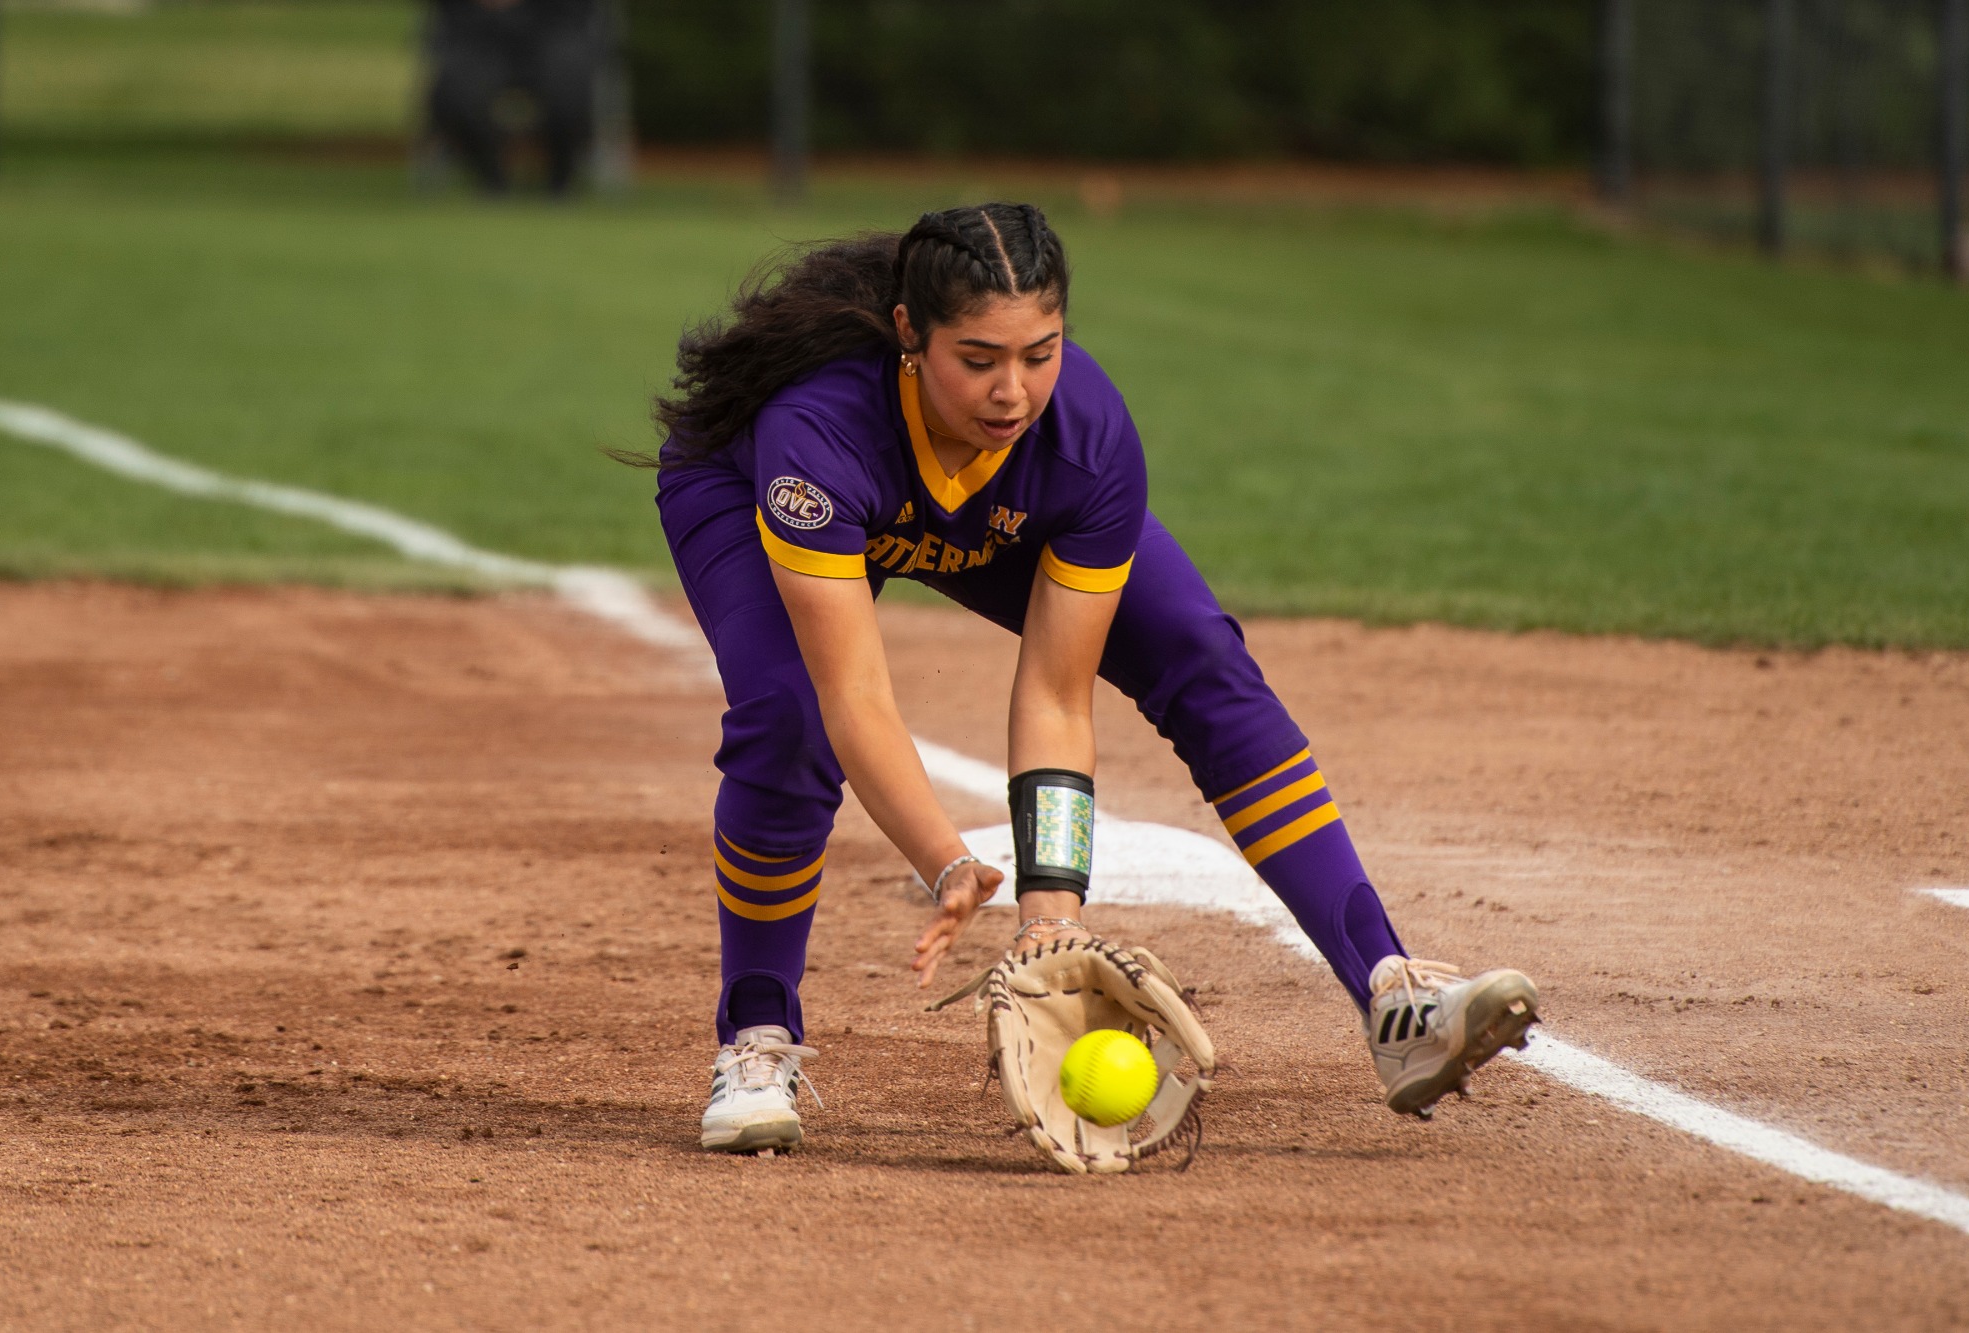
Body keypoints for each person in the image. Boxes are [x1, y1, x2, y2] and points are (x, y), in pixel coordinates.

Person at [643, 203, 1538, 1155]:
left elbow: (1056, 694)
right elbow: (853, 696)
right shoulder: (818, 432)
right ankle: (757, 1035)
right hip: (746, 495)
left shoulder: (1084, 438)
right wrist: (947, 861)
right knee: (788, 717)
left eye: (1041, 353)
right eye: (978, 359)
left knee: (1198, 653)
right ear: (910, 333)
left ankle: (1392, 995)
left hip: (997, 511)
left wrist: (1049, 918)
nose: (1013, 391)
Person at [425, 0, 599, 196]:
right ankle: (490, 176)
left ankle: (561, 177)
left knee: (569, 86)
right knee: (456, 93)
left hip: (555, 23)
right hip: (476, 30)